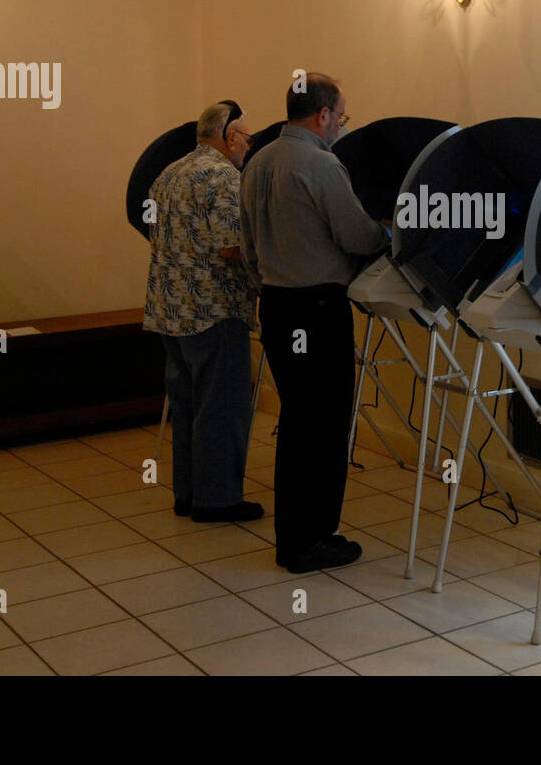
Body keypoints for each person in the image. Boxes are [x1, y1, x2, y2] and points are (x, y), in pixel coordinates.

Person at [239, 73, 389, 572]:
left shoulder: (258, 161)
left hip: (277, 307)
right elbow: (355, 235)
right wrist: (390, 232)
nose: (340, 126)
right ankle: (314, 539)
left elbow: (247, 246)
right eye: (341, 116)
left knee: (298, 421)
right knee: (324, 426)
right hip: (318, 309)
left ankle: (293, 537)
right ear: (323, 115)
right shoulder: (321, 164)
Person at [144, 100, 263, 523]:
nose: (249, 148)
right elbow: (230, 246)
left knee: (187, 406)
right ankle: (218, 500)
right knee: (222, 407)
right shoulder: (223, 177)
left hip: (169, 308)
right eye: (247, 139)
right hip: (214, 309)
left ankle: (188, 494)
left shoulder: (169, 173)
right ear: (230, 137)